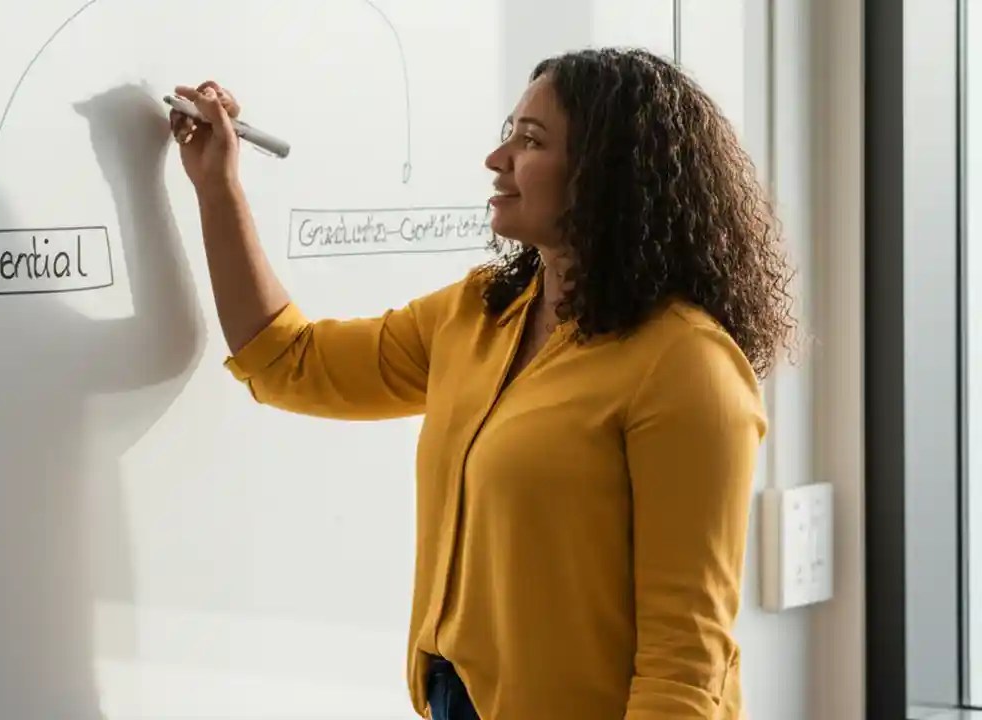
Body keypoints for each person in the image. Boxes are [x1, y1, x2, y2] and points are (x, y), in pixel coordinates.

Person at [167, 47, 795, 720]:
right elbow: (287, 362)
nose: (498, 162)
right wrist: (217, 188)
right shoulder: (479, 313)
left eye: (531, 142)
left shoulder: (686, 366)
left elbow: (685, 659)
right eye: (509, 136)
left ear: (608, 173)